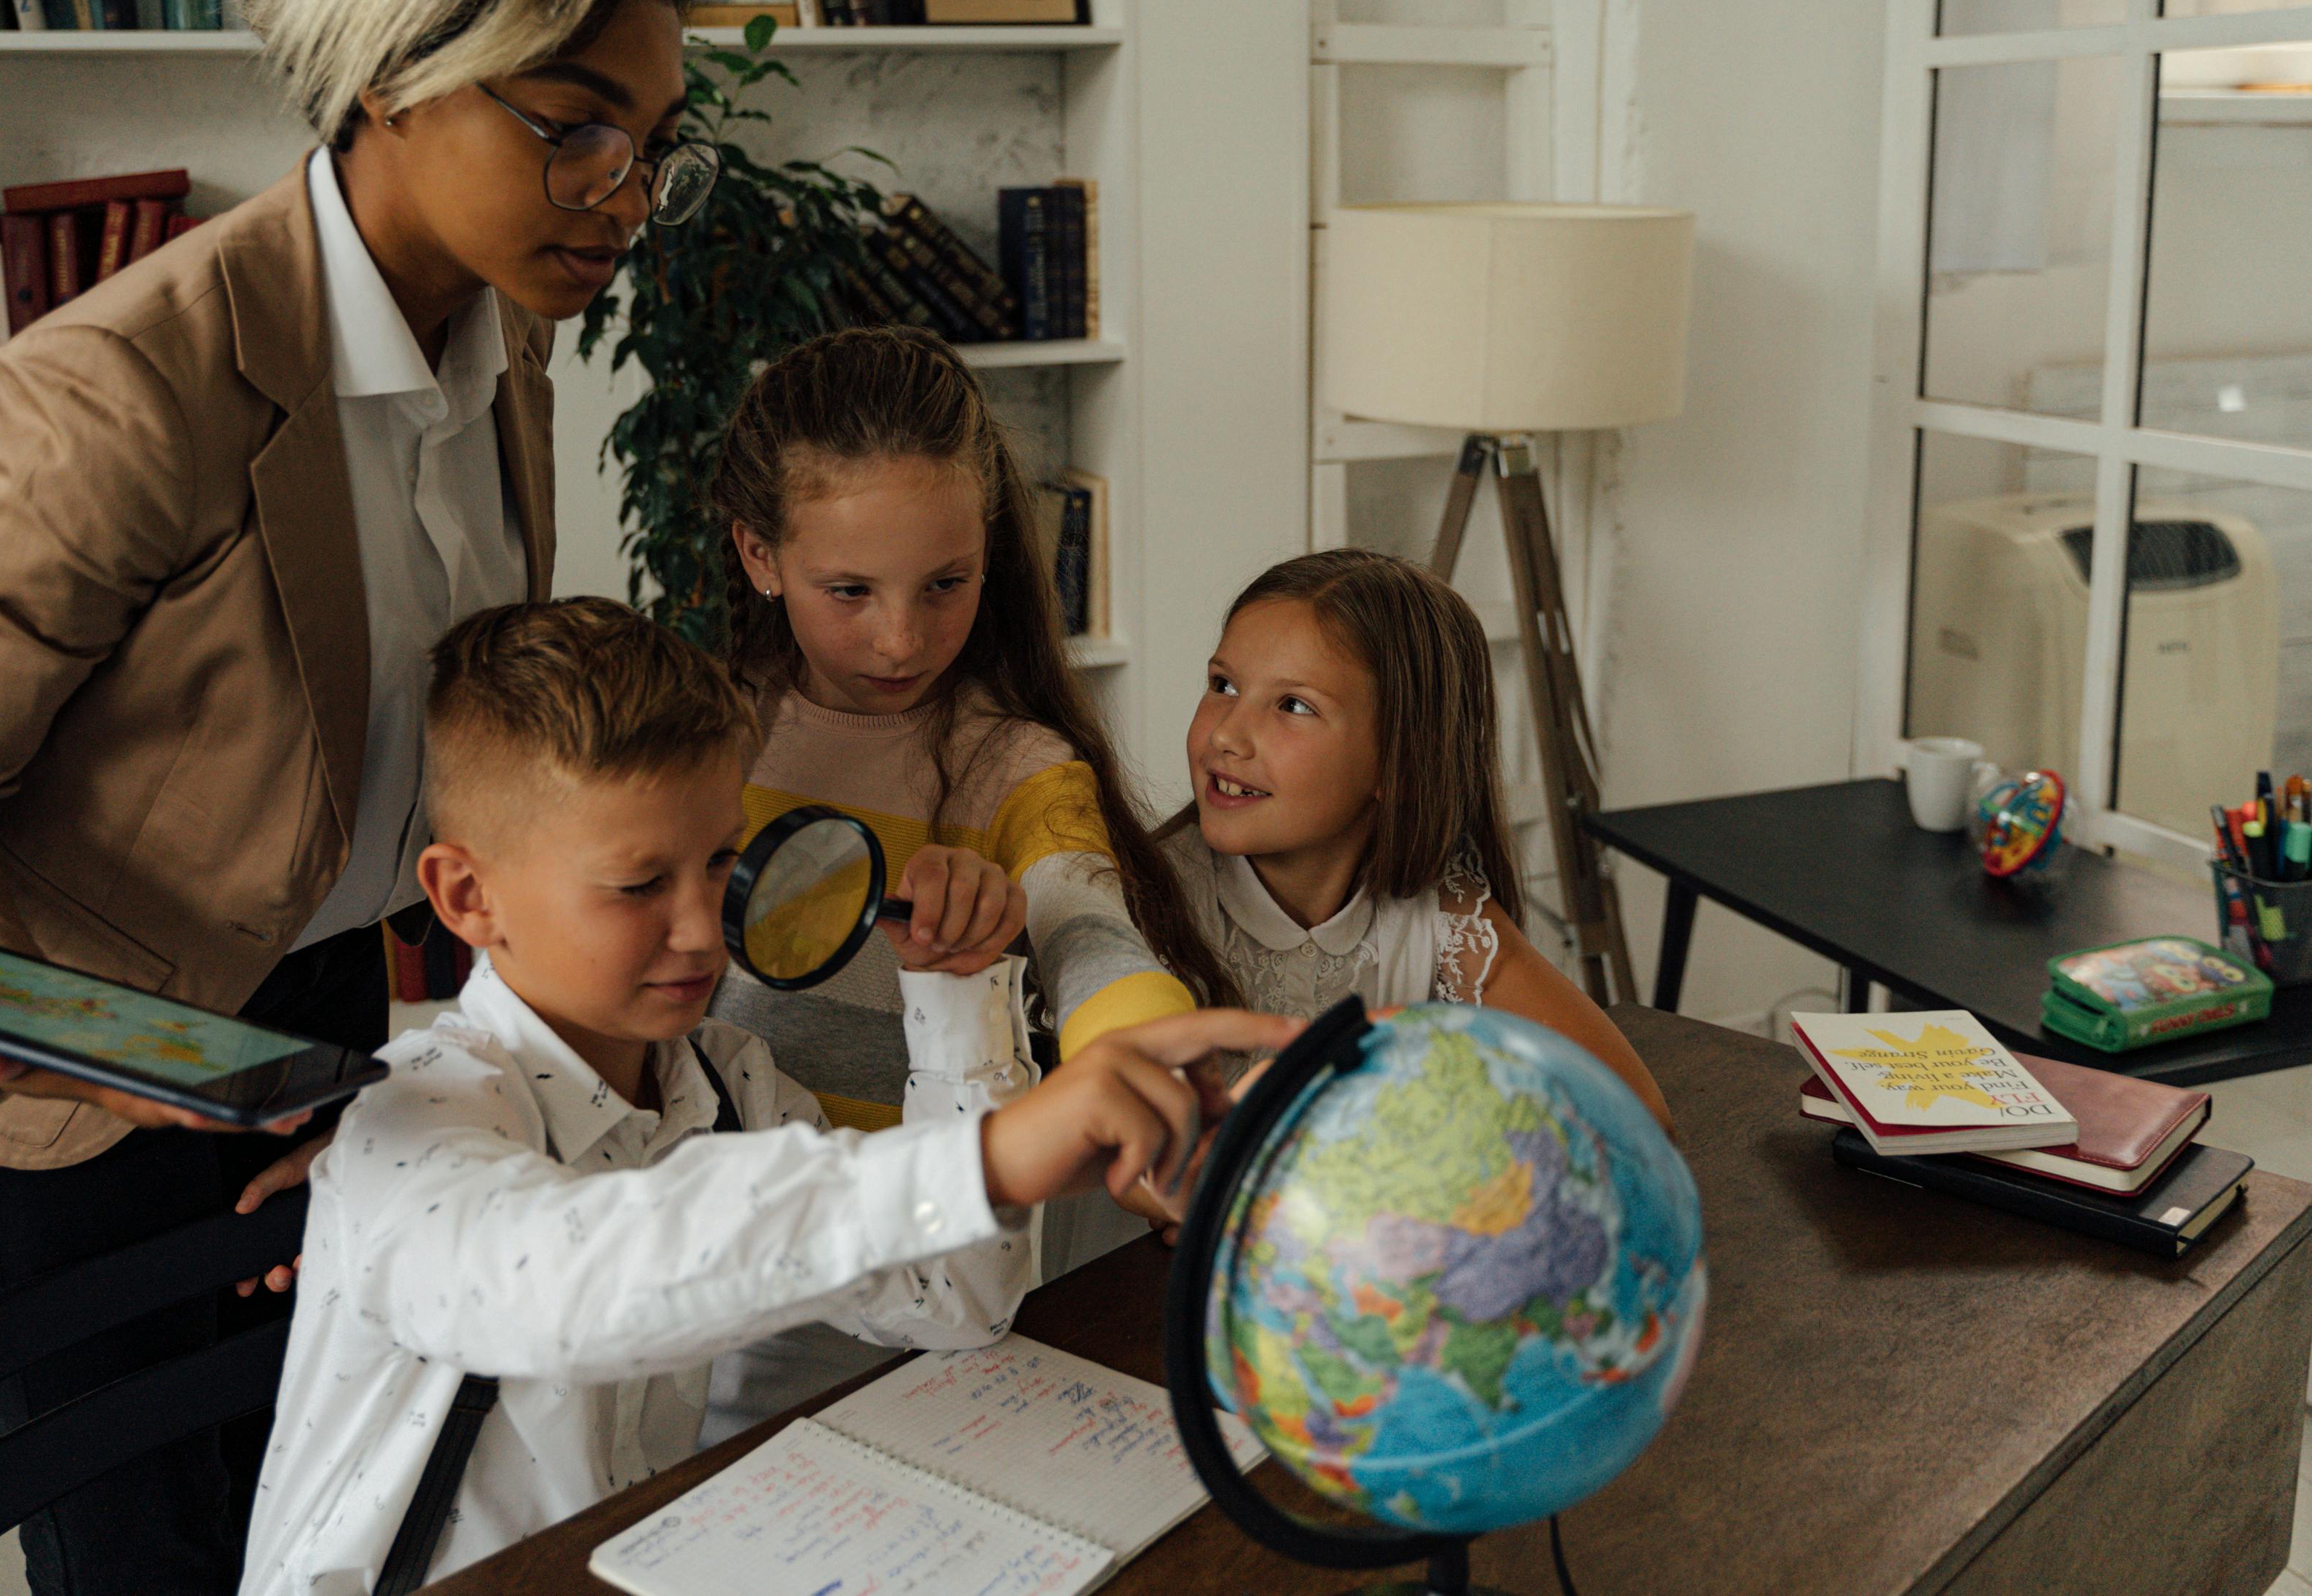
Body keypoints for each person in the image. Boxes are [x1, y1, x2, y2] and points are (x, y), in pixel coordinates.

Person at [0, 0, 718, 1593]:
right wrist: (5, 1022)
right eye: (573, 127)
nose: (624, 193)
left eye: (652, 144)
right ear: (392, 73)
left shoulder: (508, 338)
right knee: (144, 1557)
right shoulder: (121, 390)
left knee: (338, 1521)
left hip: (323, 1029)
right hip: (84, 1073)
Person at [239, 599, 1297, 1594]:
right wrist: (991, 1157)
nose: (704, 930)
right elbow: (576, 1283)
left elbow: (956, 1301)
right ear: (468, 896)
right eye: (639, 885)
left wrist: (954, 989)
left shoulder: (724, 1077)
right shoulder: (404, 1129)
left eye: (720, 862)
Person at [697, 325, 1227, 1432]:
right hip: (718, 1259)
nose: (902, 638)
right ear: (757, 554)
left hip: (933, 1274)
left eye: (946, 583)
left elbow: (1088, 928)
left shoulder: (1015, 767)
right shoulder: (697, 740)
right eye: (850, 589)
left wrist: (1146, 1053)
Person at [1164, 549, 1669, 1125]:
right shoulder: (1146, 901)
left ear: (1400, 762)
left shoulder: (1441, 915)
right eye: (1224, 685)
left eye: (1294, 705)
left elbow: (1634, 1109)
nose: (1227, 734)